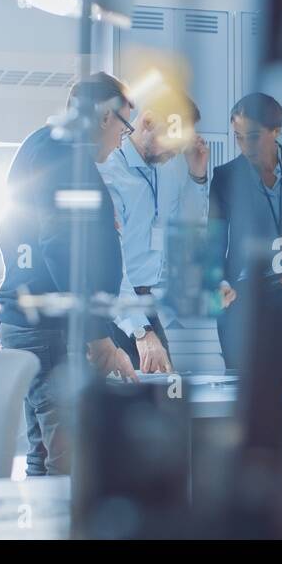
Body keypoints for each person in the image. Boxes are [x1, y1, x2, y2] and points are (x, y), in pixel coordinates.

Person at [0, 72, 139, 477]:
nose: (120, 141)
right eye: (124, 128)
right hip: (52, 331)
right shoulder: (65, 155)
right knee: (69, 464)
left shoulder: (45, 145)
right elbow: (59, 245)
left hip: (36, 326)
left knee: (45, 454)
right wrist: (97, 336)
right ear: (106, 117)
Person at [98, 95, 210, 374]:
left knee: (164, 401)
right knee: (119, 409)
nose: (175, 150)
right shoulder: (110, 172)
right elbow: (109, 263)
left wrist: (197, 177)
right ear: (147, 121)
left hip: (148, 305)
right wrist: (141, 331)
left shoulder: (167, 168)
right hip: (115, 309)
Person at [209, 93, 282, 369]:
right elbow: (213, 241)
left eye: (254, 135)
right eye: (238, 136)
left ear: (276, 130)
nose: (246, 146)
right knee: (242, 391)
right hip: (240, 298)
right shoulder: (225, 176)